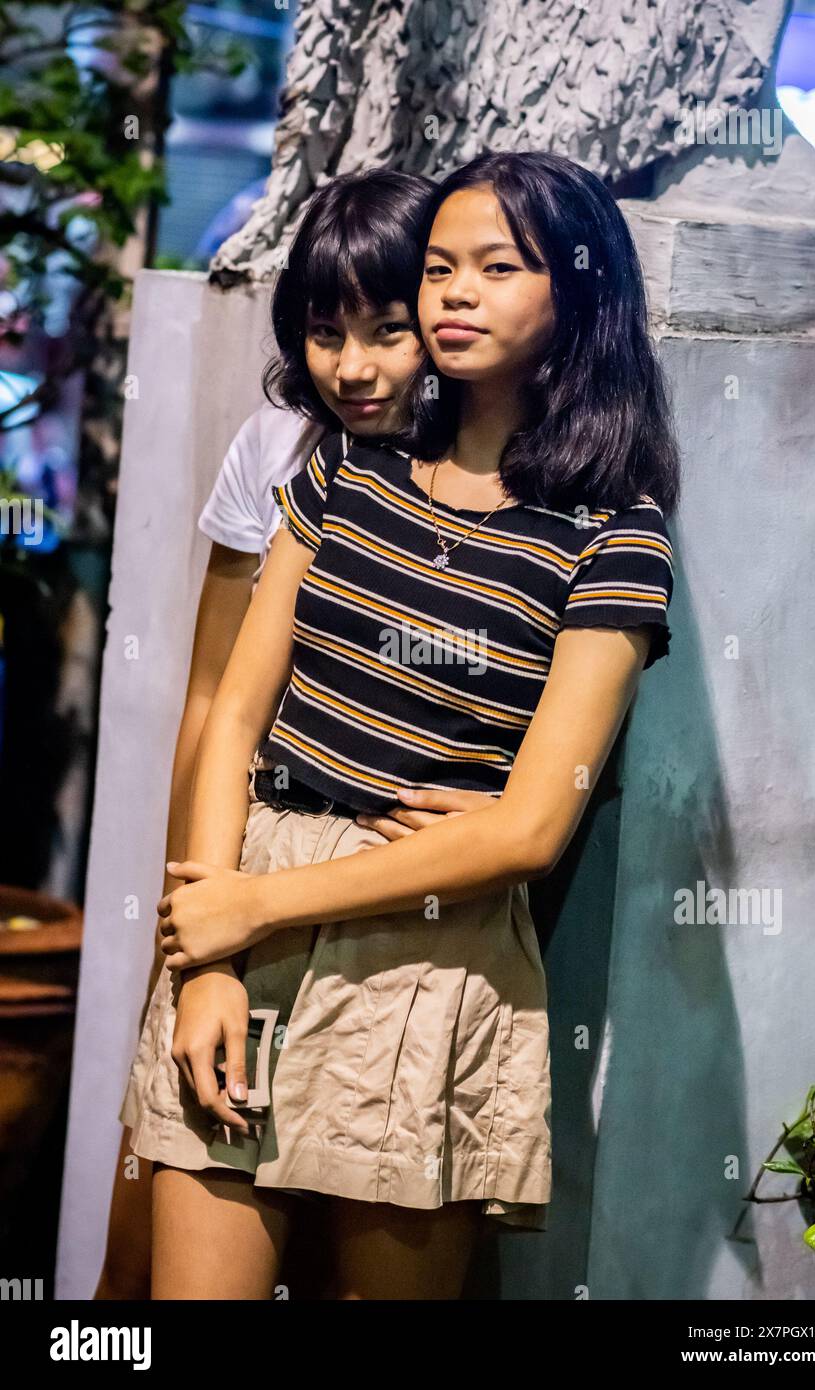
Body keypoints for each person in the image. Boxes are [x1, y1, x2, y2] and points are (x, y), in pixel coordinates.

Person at [123, 151, 679, 1300]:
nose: (454, 293)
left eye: (495, 267)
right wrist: (210, 951)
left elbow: (528, 831)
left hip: (429, 949)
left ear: (579, 295)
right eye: (438, 269)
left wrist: (248, 906)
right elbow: (236, 714)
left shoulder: (611, 536)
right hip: (247, 921)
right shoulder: (344, 470)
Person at [94, 167, 499, 1299]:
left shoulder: (507, 468)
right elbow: (216, 701)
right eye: (325, 331)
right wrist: (192, 924)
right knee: (156, 1241)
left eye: (386, 327)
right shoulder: (279, 450)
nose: (352, 365)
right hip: (246, 872)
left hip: (410, 913)